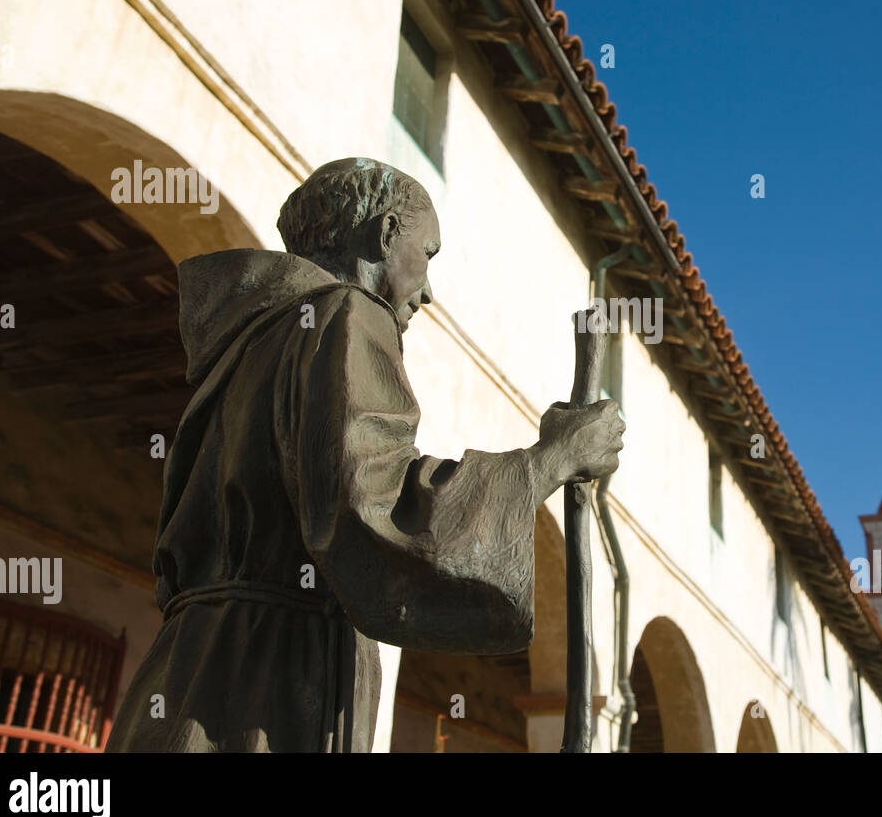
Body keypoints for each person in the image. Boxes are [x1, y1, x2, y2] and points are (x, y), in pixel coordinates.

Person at [107, 158, 624, 751]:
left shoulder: (240, 349)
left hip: (183, 677)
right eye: (427, 255)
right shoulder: (345, 314)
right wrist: (553, 459)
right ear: (385, 235)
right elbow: (381, 508)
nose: (428, 292)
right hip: (264, 699)